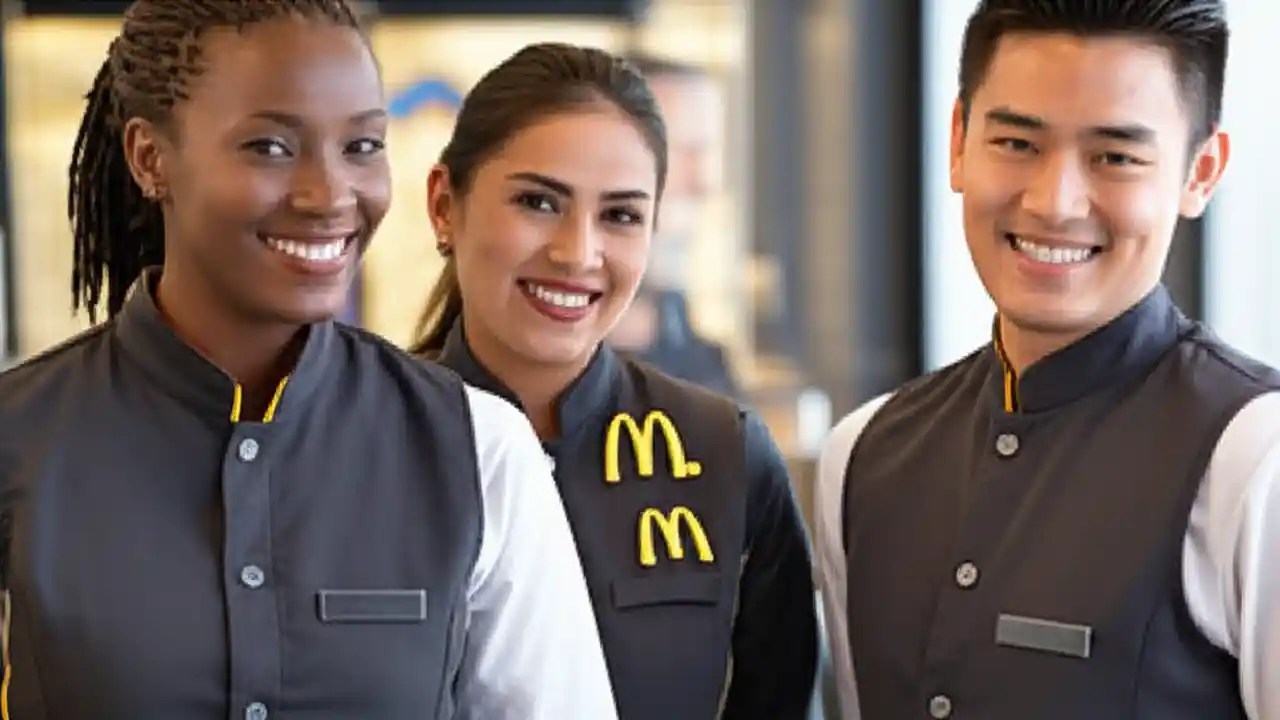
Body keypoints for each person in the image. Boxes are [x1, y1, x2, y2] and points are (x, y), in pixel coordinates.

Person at [0, 3, 617, 719]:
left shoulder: (481, 451)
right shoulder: (20, 437)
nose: (329, 197)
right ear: (149, 158)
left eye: (362, 147)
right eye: (269, 147)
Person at [814, 1, 1279, 719]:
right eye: (1017, 143)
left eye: (1115, 157)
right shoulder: (862, 454)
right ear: (958, 142)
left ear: (1201, 172)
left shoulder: (1257, 456)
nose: (1055, 202)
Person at [411, 42, 818, 720]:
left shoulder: (722, 455)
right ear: (444, 205)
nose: (578, 252)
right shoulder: (351, 445)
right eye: (538, 202)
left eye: (621, 215)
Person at [605, 54, 741, 399]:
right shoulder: (533, 381)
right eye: (683, 152)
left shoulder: (700, 361)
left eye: (706, 154)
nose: (702, 184)